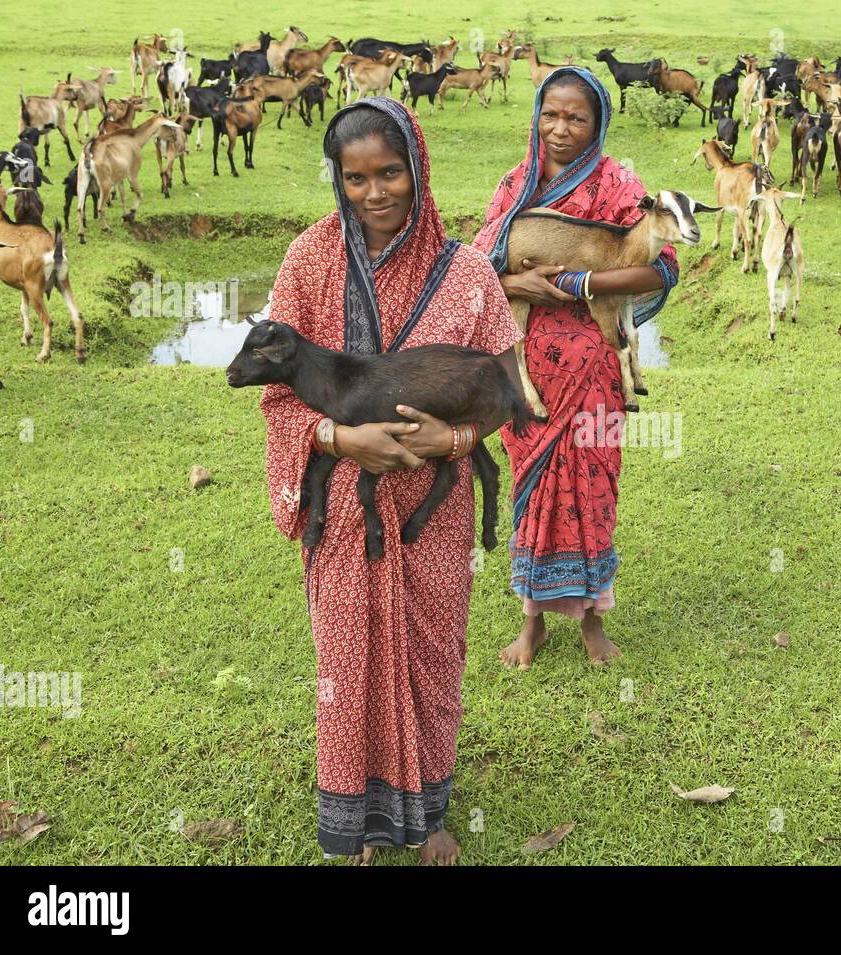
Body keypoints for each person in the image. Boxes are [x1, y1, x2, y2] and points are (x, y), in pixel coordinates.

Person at [260, 96, 524, 865]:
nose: (374, 193)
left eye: (390, 173)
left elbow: (506, 390)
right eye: (355, 178)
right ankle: (363, 825)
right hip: (344, 511)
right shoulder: (308, 261)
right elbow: (277, 393)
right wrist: (341, 437)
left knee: (433, 656)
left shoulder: (468, 272)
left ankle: (429, 812)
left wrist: (459, 437)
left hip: (432, 519)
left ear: (419, 169)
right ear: (337, 181)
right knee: (347, 666)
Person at [474, 67, 679, 670]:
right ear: (537, 114)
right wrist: (520, 282)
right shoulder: (515, 186)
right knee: (531, 487)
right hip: (526, 379)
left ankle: (591, 619)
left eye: (576, 118)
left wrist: (577, 280)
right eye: (551, 115)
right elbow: (473, 269)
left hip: (593, 377)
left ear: (598, 124)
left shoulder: (618, 185)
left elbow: (657, 268)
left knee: (592, 488)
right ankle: (531, 622)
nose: (560, 129)